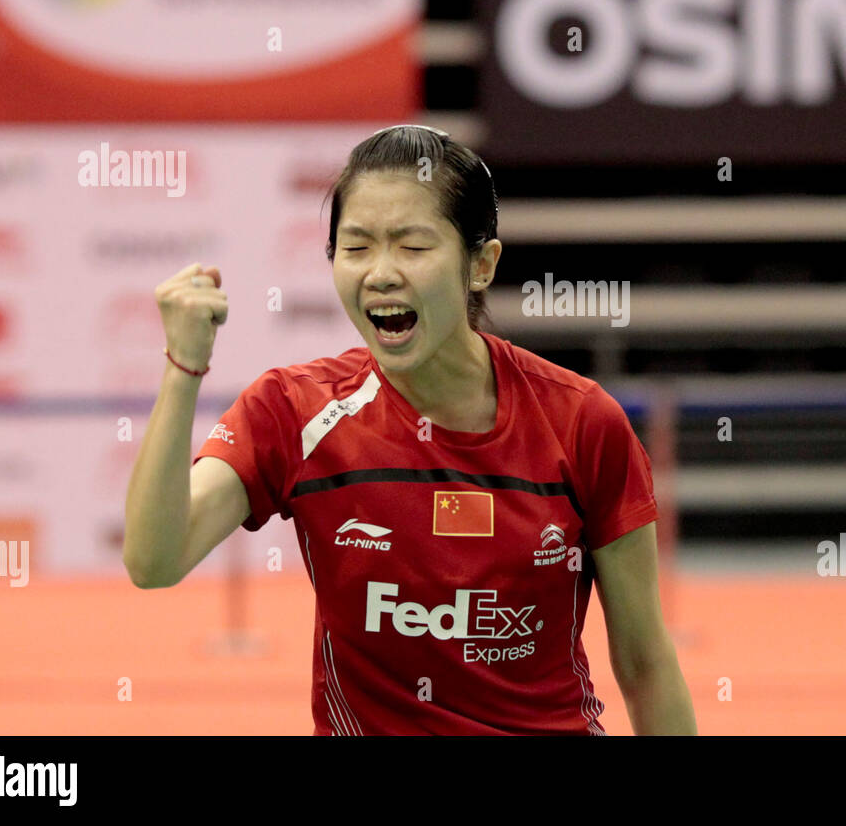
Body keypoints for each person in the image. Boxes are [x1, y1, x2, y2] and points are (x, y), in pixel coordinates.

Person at [123, 124, 696, 735]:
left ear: (480, 264)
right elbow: (155, 560)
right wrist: (184, 368)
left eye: (413, 247)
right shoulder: (294, 411)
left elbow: (645, 663)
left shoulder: (581, 422)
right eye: (357, 246)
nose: (381, 273)